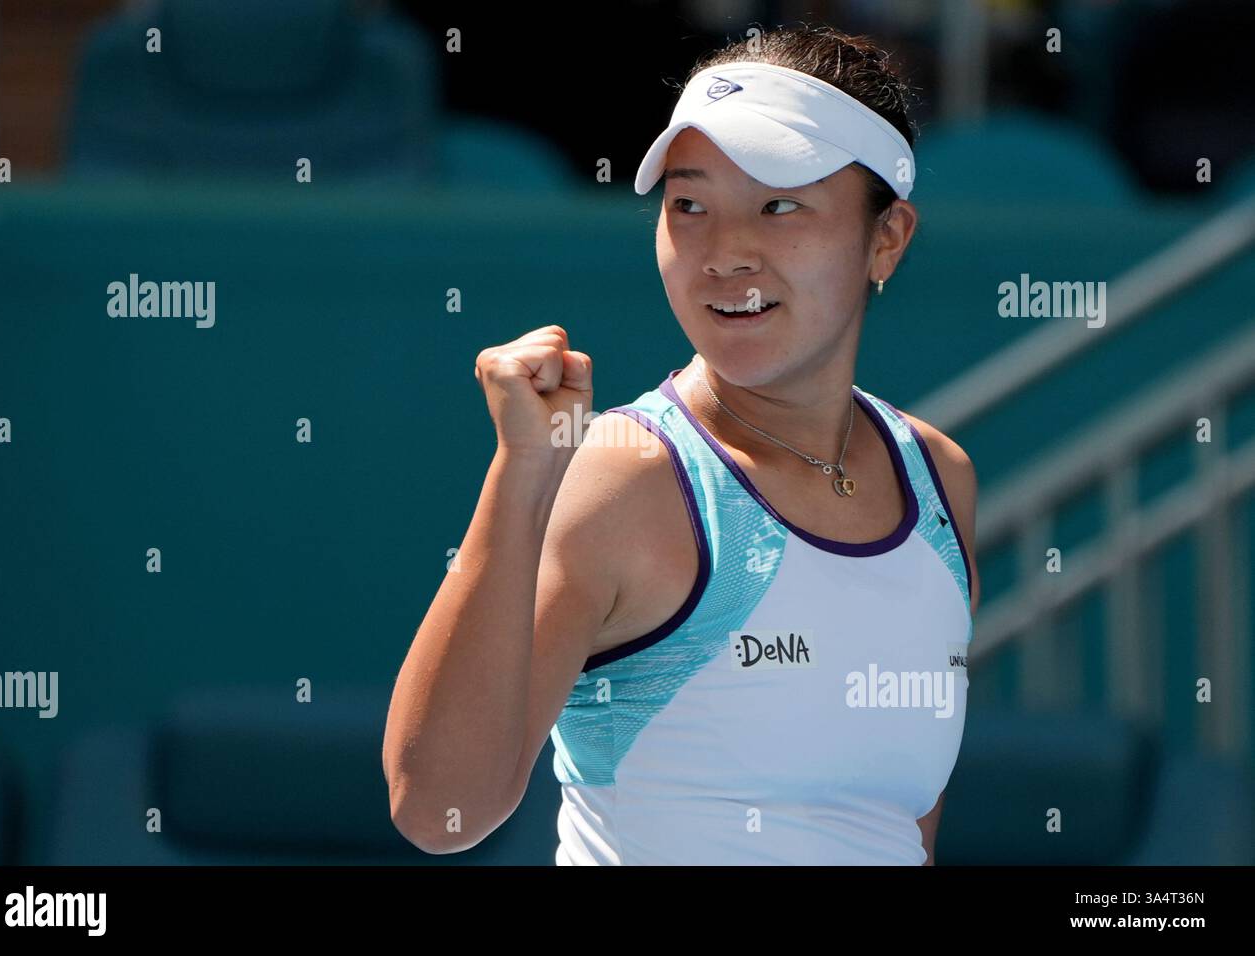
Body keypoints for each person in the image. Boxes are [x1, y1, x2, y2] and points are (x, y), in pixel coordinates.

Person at [384, 23, 979, 865]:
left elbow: (895, 828)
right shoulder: (626, 477)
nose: (725, 253)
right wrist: (522, 477)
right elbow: (438, 810)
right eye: (689, 206)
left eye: (780, 206)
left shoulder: (940, 480)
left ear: (886, 237)